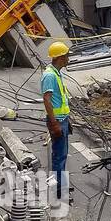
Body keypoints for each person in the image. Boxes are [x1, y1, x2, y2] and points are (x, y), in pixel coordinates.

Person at [42, 40, 73, 203]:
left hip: (63, 120)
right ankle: (58, 191)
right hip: (57, 121)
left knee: (62, 155)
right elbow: (47, 100)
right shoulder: (49, 75)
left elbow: (60, 100)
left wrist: (68, 120)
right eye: (67, 55)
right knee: (59, 156)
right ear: (60, 57)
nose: (68, 58)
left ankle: (61, 185)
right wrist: (54, 124)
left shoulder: (56, 73)